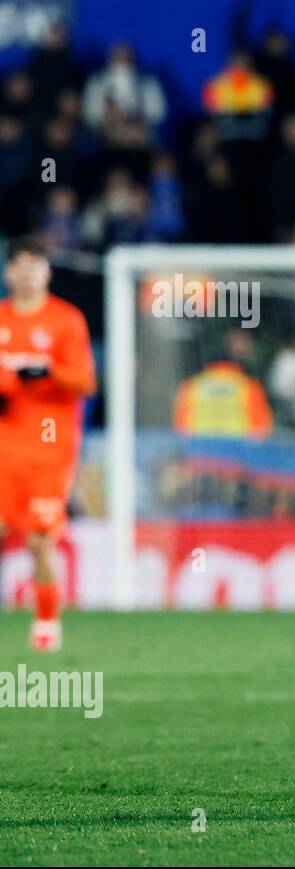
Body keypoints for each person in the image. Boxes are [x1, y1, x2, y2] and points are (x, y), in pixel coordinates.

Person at [0, 236, 96, 651]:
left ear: (47, 272)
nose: (26, 273)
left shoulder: (66, 320)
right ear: (8, 272)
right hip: (5, 442)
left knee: (40, 539)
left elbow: (86, 381)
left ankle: (46, 622)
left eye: (34, 265)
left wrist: (48, 371)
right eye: (19, 265)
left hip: (49, 447)